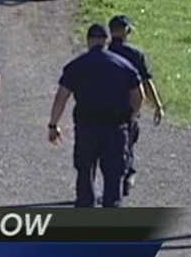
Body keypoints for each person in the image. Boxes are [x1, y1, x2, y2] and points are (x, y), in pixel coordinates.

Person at [48, 24, 143, 208]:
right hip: (115, 128)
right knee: (114, 175)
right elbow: (138, 95)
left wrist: (53, 125)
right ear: (106, 40)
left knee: (85, 172)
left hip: (87, 127)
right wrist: (131, 117)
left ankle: (85, 215)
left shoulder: (76, 66)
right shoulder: (124, 65)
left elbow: (61, 96)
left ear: (88, 40)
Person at [107, 15, 166, 197]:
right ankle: (126, 174)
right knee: (128, 142)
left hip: (104, 105)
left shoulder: (103, 51)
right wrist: (157, 105)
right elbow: (146, 83)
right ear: (126, 30)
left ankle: (114, 179)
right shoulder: (134, 54)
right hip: (129, 106)